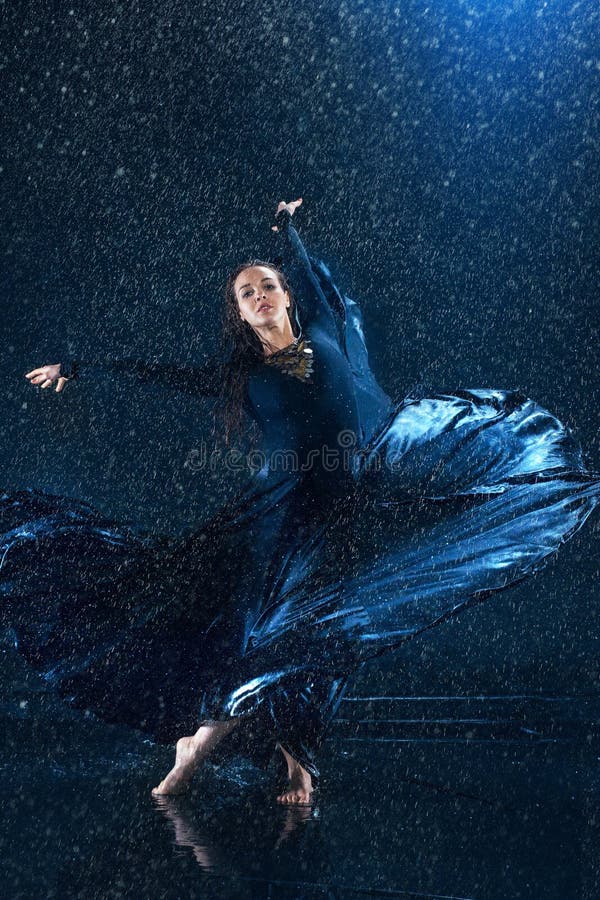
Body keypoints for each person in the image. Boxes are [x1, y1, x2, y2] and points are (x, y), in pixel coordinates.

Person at [8, 198, 600, 806]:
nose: (260, 295)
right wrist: (78, 367)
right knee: (280, 634)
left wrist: (288, 229)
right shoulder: (243, 376)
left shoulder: (321, 331)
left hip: (355, 502)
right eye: (247, 293)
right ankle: (220, 748)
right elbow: (161, 374)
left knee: (324, 634)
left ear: (286, 296)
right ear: (241, 314)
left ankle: (269, 758)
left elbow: (317, 279)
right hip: (286, 518)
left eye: (268, 285)